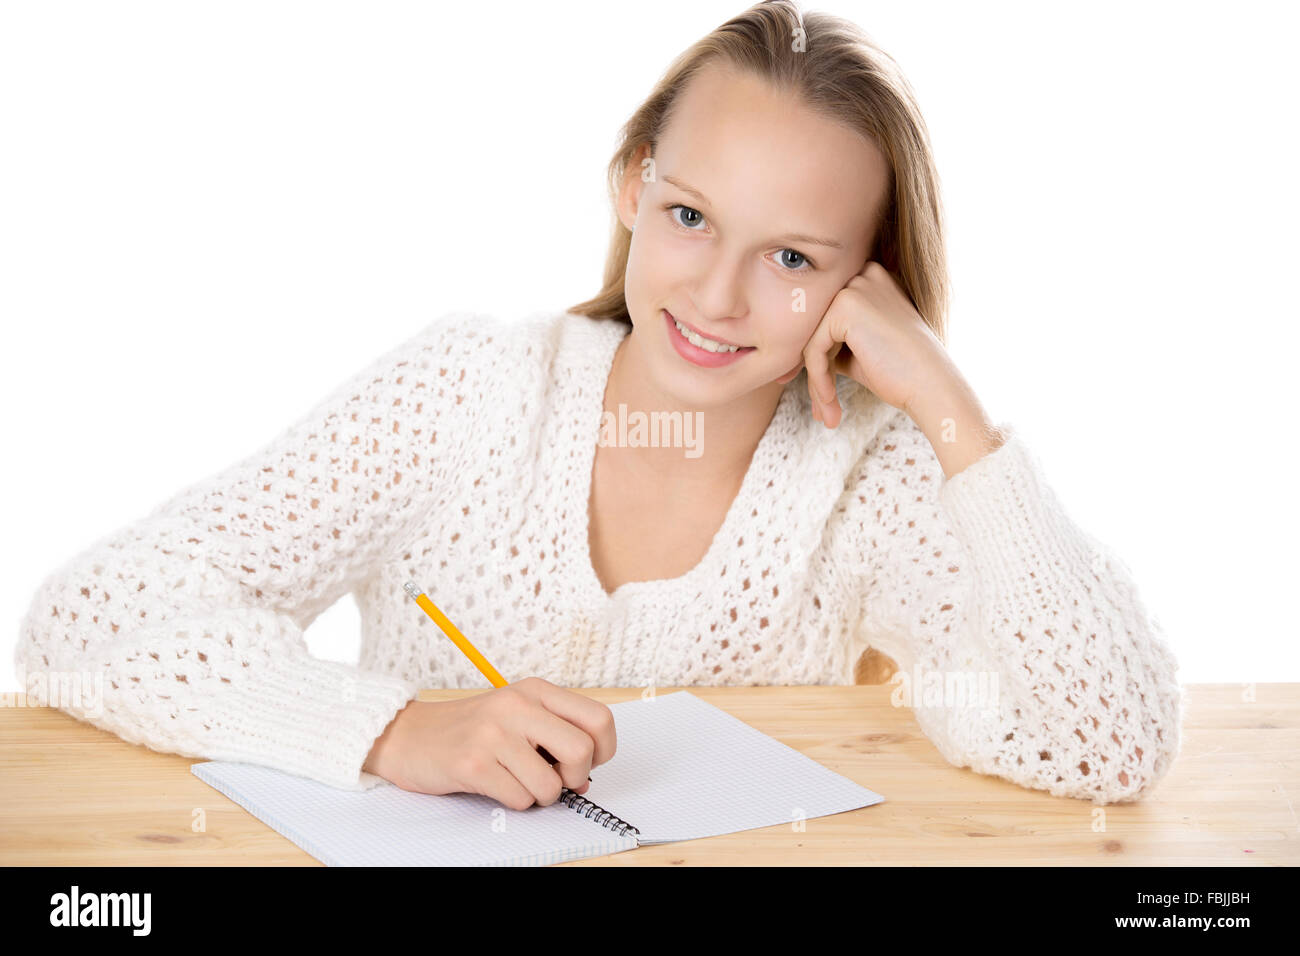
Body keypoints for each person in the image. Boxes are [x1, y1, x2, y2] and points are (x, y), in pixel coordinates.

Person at [15, 0, 1183, 810]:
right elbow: (89, 619)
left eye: (791, 258)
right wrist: (393, 728)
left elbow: (1109, 736)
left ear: (862, 282)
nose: (716, 296)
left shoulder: (867, 476)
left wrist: (949, 407)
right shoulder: (468, 388)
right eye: (688, 217)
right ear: (632, 183)